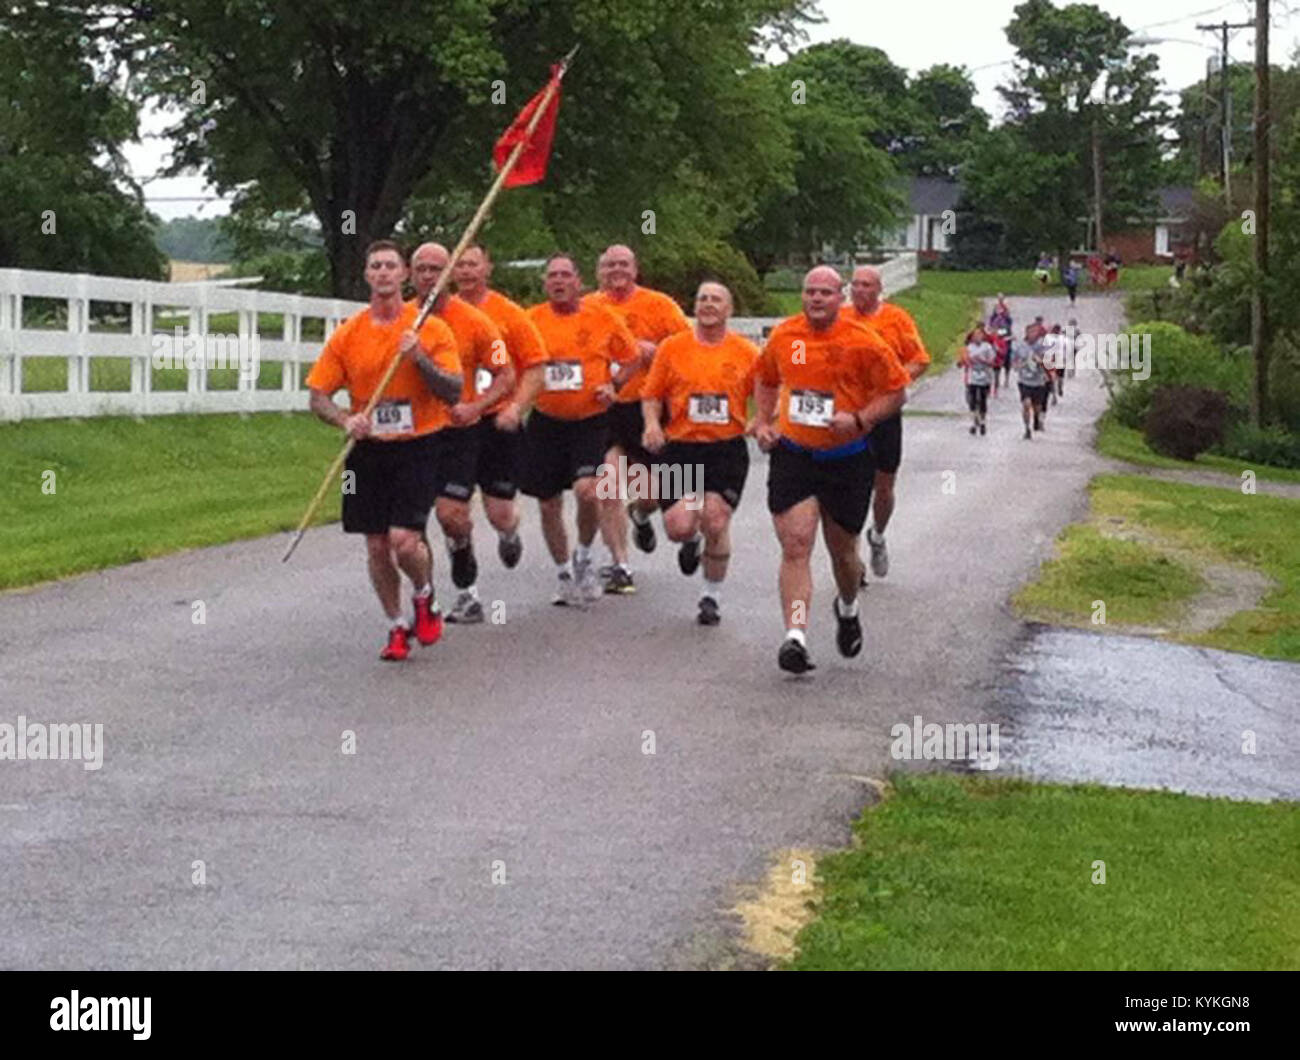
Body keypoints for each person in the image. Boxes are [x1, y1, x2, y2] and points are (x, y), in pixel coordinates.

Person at [306, 240, 463, 660]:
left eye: (391, 266)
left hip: (420, 444)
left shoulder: (430, 328)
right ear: (367, 276)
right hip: (369, 450)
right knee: (376, 545)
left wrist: (419, 359)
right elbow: (317, 396)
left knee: (404, 541)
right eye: (375, 266)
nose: (383, 273)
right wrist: (345, 420)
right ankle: (395, 624)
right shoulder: (349, 333)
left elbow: (453, 390)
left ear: (404, 276)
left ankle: (425, 594)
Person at [751, 266, 910, 674]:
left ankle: (848, 606)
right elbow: (766, 378)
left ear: (840, 298)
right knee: (797, 544)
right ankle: (795, 638)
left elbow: (895, 391)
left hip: (848, 458)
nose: (817, 298)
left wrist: (859, 419)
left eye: (826, 292)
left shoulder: (864, 341)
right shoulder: (786, 336)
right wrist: (765, 421)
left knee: (843, 553)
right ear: (802, 296)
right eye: (810, 292)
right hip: (794, 454)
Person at [409, 243, 516, 624]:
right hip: (414, 434)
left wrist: (477, 406)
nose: (428, 277)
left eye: (436, 269)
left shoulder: (476, 322)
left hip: (460, 430)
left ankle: (465, 571)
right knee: (411, 523)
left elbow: (506, 373)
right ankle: (428, 597)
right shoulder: (401, 321)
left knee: (451, 514)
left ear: (450, 274)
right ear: (410, 275)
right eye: (421, 269)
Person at [640, 281, 759, 626]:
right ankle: (690, 539)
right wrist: (652, 424)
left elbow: (771, 390)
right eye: (702, 298)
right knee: (678, 526)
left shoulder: (745, 351)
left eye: (716, 300)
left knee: (716, 519)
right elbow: (652, 394)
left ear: (729, 310)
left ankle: (711, 596)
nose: (708, 304)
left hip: (725, 450)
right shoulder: (672, 348)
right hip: (681, 449)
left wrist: (762, 420)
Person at [524, 253, 638, 606]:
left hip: (590, 420)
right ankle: (563, 572)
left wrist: (614, 386)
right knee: (547, 504)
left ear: (579, 281)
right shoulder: (531, 321)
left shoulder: (602, 317)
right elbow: (510, 362)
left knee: (588, 491)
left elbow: (632, 357)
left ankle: (585, 557)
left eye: (565, 275)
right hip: (546, 422)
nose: (558, 281)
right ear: (545, 283)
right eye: (552, 276)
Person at [584, 245, 690, 594]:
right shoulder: (590, 307)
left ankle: (644, 514)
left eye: (623, 264)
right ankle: (620, 564)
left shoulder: (658, 305)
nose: (617, 270)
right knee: (607, 483)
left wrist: (652, 352)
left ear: (635, 269)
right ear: (599, 271)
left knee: (654, 491)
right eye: (609, 264)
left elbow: (688, 349)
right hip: (606, 406)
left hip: (652, 409)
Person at [450, 244, 549, 573]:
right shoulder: (439, 313)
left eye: (472, 265)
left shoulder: (508, 314)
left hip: (497, 421)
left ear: (487, 268)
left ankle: (509, 534)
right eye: (459, 265)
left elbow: (536, 366)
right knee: (452, 510)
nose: (465, 271)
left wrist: (517, 407)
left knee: (500, 513)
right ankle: (463, 560)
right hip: (452, 423)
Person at [845, 266, 929, 581]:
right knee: (853, 486)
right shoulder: (842, 319)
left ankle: (877, 534)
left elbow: (920, 359)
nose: (859, 290)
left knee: (883, 486)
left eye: (866, 285)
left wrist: (892, 384)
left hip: (884, 415)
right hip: (850, 415)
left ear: (879, 289)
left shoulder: (895, 318)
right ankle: (851, 560)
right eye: (855, 284)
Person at [1014, 325, 1050, 439]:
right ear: (1026, 333)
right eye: (1030, 332)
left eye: (1035, 332)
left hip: (1038, 381)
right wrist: (1019, 365)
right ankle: (1027, 428)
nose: (1033, 334)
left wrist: (1040, 361)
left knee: (1037, 406)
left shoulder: (1042, 346)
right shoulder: (1020, 346)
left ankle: (1036, 418)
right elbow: (1014, 362)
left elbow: (1048, 361)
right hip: (1024, 380)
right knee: (1026, 404)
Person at [963, 324, 997, 436]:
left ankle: (982, 421)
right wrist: (969, 360)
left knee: (982, 400)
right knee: (972, 400)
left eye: (980, 335)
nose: (978, 337)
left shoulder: (987, 347)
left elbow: (992, 363)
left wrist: (982, 360)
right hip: (972, 378)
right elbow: (964, 362)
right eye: (975, 335)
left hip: (985, 377)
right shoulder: (969, 348)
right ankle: (974, 421)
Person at [988, 295, 1013, 392]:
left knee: (1007, 356)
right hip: (996, 338)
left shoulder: (1007, 318)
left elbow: (1009, 327)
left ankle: (1006, 378)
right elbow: (990, 326)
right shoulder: (993, 317)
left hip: (1005, 338)